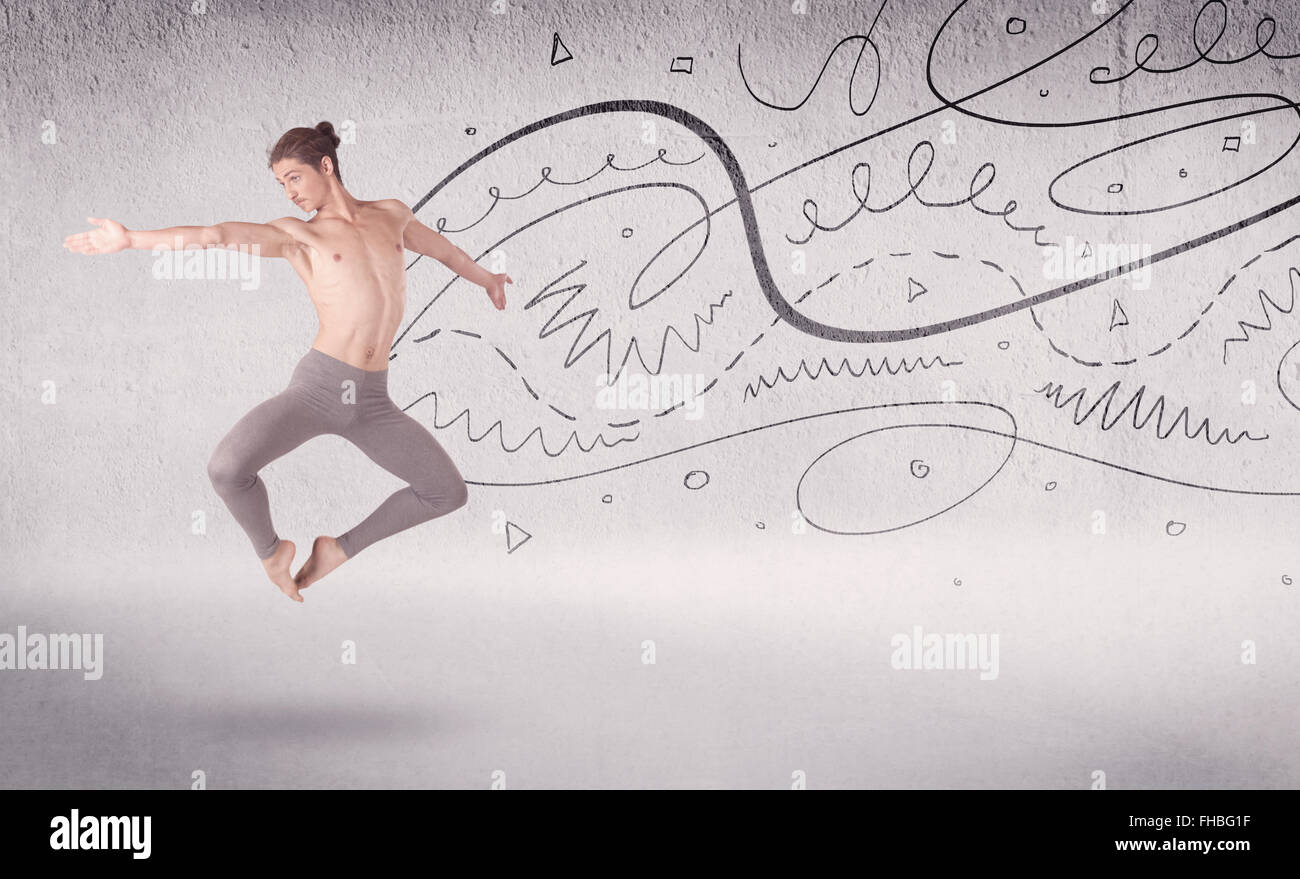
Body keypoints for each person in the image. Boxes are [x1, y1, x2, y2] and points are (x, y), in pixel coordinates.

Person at [63, 121, 512, 602]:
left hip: (373, 401)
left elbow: (446, 251)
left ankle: (336, 549)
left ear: (326, 165)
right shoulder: (298, 236)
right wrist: (131, 239)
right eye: (281, 184)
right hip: (319, 389)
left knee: (447, 492)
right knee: (227, 469)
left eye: (293, 178)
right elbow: (215, 234)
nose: (288, 193)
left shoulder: (392, 214)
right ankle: (272, 551)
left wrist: (486, 279)